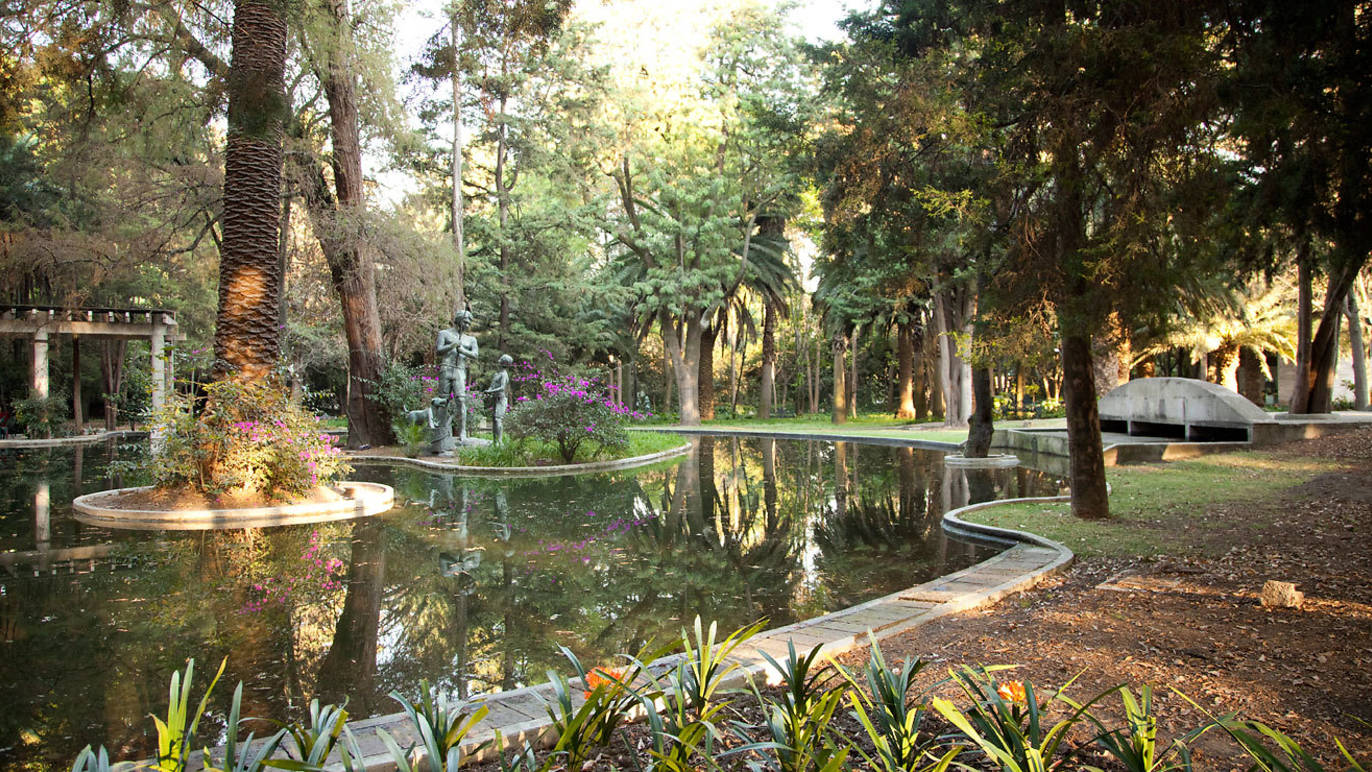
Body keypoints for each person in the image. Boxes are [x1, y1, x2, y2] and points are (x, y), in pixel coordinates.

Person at [436, 310, 479, 442]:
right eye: (465, 322)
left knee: (461, 401)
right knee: (443, 401)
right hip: (446, 368)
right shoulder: (444, 334)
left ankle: (462, 432)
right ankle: (441, 430)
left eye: (469, 322)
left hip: (460, 370)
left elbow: (475, 355)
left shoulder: (471, 339)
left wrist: (463, 350)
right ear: (459, 320)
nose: (467, 324)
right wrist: (452, 345)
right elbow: (438, 351)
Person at [485, 354, 512, 444]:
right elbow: (492, 385)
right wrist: (489, 390)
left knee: (498, 419)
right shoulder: (497, 374)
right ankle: (495, 441)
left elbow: (502, 388)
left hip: (501, 399)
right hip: (495, 398)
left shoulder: (504, 374)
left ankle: (500, 442)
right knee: (494, 420)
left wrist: (490, 391)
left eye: (501, 359)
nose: (499, 360)